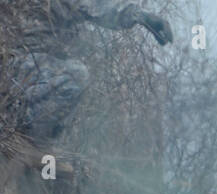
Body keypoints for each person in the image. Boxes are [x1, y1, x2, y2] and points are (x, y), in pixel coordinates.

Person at [5, 1, 173, 143]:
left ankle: (20, 128)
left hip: (15, 69)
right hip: (14, 68)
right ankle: (24, 136)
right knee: (77, 74)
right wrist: (144, 17)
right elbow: (106, 11)